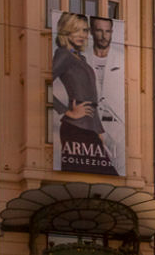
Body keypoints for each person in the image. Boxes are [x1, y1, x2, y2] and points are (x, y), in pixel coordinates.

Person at [50, 13, 116, 174]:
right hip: (75, 128)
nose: (82, 35)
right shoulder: (63, 54)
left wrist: (99, 131)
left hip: (89, 128)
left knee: (104, 179)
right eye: (76, 30)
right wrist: (67, 111)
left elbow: (92, 98)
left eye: (85, 30)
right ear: (65, 31)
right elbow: (43, 83)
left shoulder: (80, 58)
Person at [85, 15, 126, 171]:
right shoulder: (82, 58)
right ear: (91, 32)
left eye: (107, 32)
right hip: (90, 127)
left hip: (117, 127)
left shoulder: (121, 58)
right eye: (99, 31)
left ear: (112, 32)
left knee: (117, 167)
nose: (103, 36)